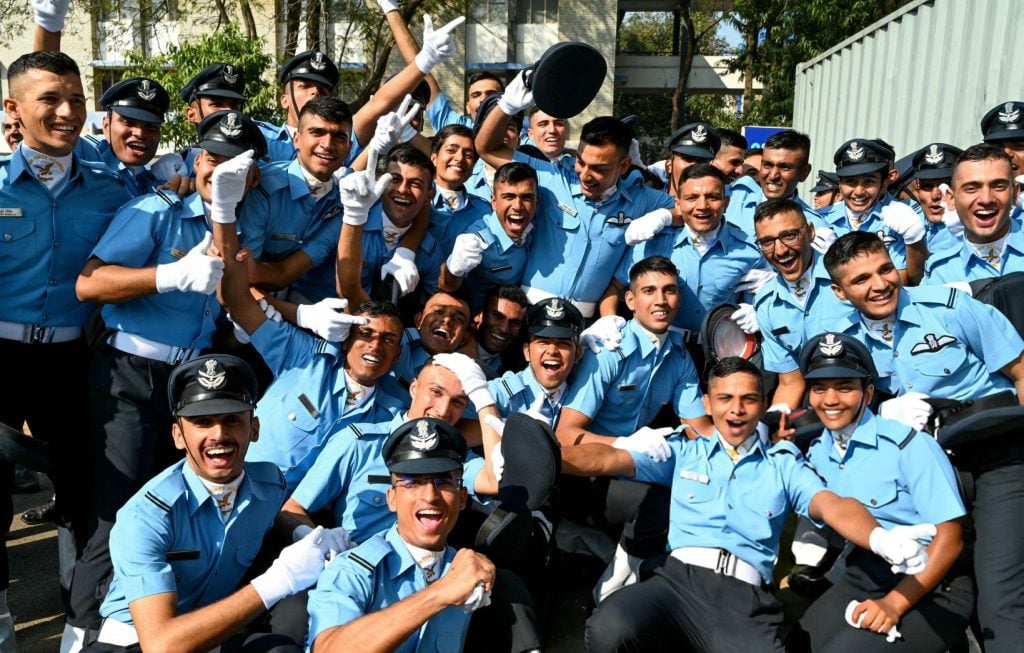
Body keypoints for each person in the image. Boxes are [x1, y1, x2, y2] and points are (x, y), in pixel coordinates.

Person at [65, 110, 266, 646]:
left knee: (180, 506)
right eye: (211, 158)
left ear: (252, 178)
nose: (216, 169)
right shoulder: (156, 210)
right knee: (120, 515)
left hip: (192, 380)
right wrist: (169, 275)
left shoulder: (242, 229)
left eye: (234, 164)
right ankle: (82, 634)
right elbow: (90, 283)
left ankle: (158, 627)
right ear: (198, 159)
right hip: (132, 372)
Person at [571, 357, 934, 653]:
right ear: (708, 404)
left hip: (743, 601)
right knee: (611, 625)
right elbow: (602, 460)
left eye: (748, 399)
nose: (736, 409)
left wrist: (880, 539)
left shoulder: (783, 464)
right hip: (674, 584)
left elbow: (832, 505)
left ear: (763, 405)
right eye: (725, 398)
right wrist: (546, 455)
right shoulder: (683, 451)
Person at [821, 231, 1024, 652]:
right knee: (889, 572)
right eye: (861, 280)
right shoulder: (842, 340)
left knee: (1000, 591)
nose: (879, 285)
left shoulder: (948, 307)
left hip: (992, 454)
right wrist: (879, 415)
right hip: (918, 470)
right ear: (840, 292)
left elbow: (1021, 371)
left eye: (884, 269)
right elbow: (836, 409)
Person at [0, 51, 132, 653]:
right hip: (1, 358)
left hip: (73, 361)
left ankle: (80, 622)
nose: (67, 111)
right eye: (50, 98)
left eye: (77, 99)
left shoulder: (110, 189)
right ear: (13, 109)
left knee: (83, 495)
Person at [85, 354, 344, 652]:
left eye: (232, 419)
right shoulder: (145, 516)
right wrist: (279, 579)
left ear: (255, 428)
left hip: (213, 631)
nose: (219, 435)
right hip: (137, 641)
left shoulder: (269, 483)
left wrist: (308, 535)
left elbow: (273, 518)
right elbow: (161, 644)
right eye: (202, 422)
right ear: (178, 435)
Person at [791, 332, 973, 652]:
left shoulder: (908, 445)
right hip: (863, 572)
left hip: (932, 582)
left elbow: (950, 538)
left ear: (868, 392)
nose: (830, 400)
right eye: (819, 388)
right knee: (794, 644)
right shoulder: (819, 451)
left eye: (845, 387)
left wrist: (893, 604)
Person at [476, 87, 676, 318]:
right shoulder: (552, 177)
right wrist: (507, 106)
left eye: (599, 169)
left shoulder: (639, 199)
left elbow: (688, 209)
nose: (585, 175)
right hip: (529, 313)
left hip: (585, 323)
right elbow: (486, 147)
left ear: (623, 166)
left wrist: (664, 216)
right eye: (581, 162)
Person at [305, 416, 497, 653]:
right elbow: (328, 650)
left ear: (463, 499)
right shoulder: (353, 571)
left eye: (444, 481)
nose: (430, 495)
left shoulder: (470, 571)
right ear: (392, 499)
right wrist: (438, 594)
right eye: (413, 483)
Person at [610, 164, 770, 356]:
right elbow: (615, 286)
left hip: (720, 351)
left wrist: (760, 311)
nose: (702, 206)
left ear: (726, 203)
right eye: (691, 198)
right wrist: (609, 322)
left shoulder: (749, 251)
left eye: (712, 197)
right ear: (677, 204)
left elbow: (762, 300)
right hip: (659, 349)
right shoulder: (652, 241)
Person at [752, 198, 858, 412]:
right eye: (767, 242)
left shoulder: (849, 275)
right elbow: (790, 382)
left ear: (810, 232)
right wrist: (775, 424)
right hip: (820, 402)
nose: (780, 250)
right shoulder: (767, 304)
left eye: (789, 236)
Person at [336, 145, 444, 306]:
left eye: (415, 184)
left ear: (429, 196)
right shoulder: (347, 220)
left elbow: (437, 303)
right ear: (380, 183)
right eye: (395, 179)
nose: (403, 190)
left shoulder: (430, 251)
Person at [822, 138, 928, 285]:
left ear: (885, 183)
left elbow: (902, 281)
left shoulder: (905, 217)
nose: (858, 191)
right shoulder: (822, 219)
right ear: (839, 184)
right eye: (850, 182)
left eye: (869, 182)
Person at [439, 162, 539, 311]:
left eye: (526, 197)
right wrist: (454, 269)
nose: (518, 206)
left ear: (537, 202)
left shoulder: (536, 229)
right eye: (508, 197)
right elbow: (446, 285)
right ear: (494, 201)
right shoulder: (476, 239)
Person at [924, 143, 1023, 284]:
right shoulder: (941, 272)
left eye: (998, 186)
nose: (986, 199)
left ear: (1015, 193)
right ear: (951, 199)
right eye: (971, 188)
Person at [76, 77, 174, 197]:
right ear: (106, 127)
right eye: (129, 122)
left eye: (151, 126)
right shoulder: (82, 161)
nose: (140, 133)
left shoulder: (154, 180)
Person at [725, 130, 823, 237]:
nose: (773, 176)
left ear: (804, 172)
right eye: (767, 165)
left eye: (784, 167)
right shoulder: (731, 199)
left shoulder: (817, 229)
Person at [256, 50, 341, 162]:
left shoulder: (339, 145)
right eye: (305, 86)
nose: (315, 92)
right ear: (284, 101)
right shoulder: (259, 137)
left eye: (323, 90)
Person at [427, 124, 491, 253]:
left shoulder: (485, 210)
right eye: (451, 150)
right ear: (434, 158)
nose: (459, 158)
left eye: (468, 154)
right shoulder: (419, 201)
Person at [905, 142, 963, 255]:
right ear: (917, 188)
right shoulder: (911, 220)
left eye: (946, 185)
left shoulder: (967, 233)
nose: (935, 196)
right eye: (927, 186)